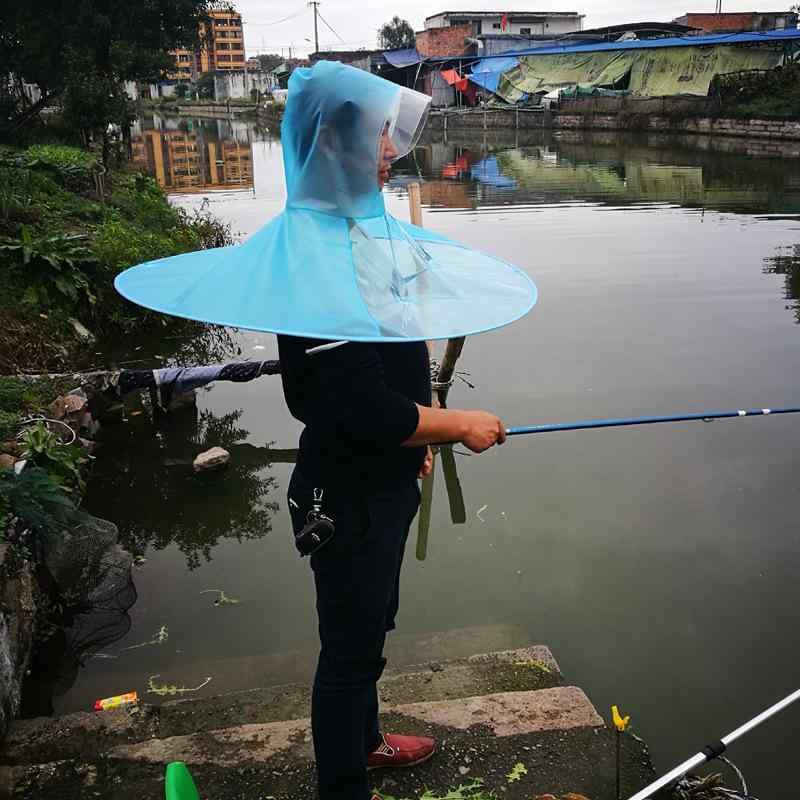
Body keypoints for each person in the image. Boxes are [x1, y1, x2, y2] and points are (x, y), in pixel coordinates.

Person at [113, 59, 536, 800]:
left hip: (384, 474)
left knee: (371, 631)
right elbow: (351, 406)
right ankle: (345, 783)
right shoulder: (314, 254)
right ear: (336, 144)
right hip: (346, 492)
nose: (389, 153)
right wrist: (457, 421)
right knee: (347, 653)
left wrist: (422, 445)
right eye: (377, 137)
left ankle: (366, 742)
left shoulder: (359, 232)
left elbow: (392, 358)